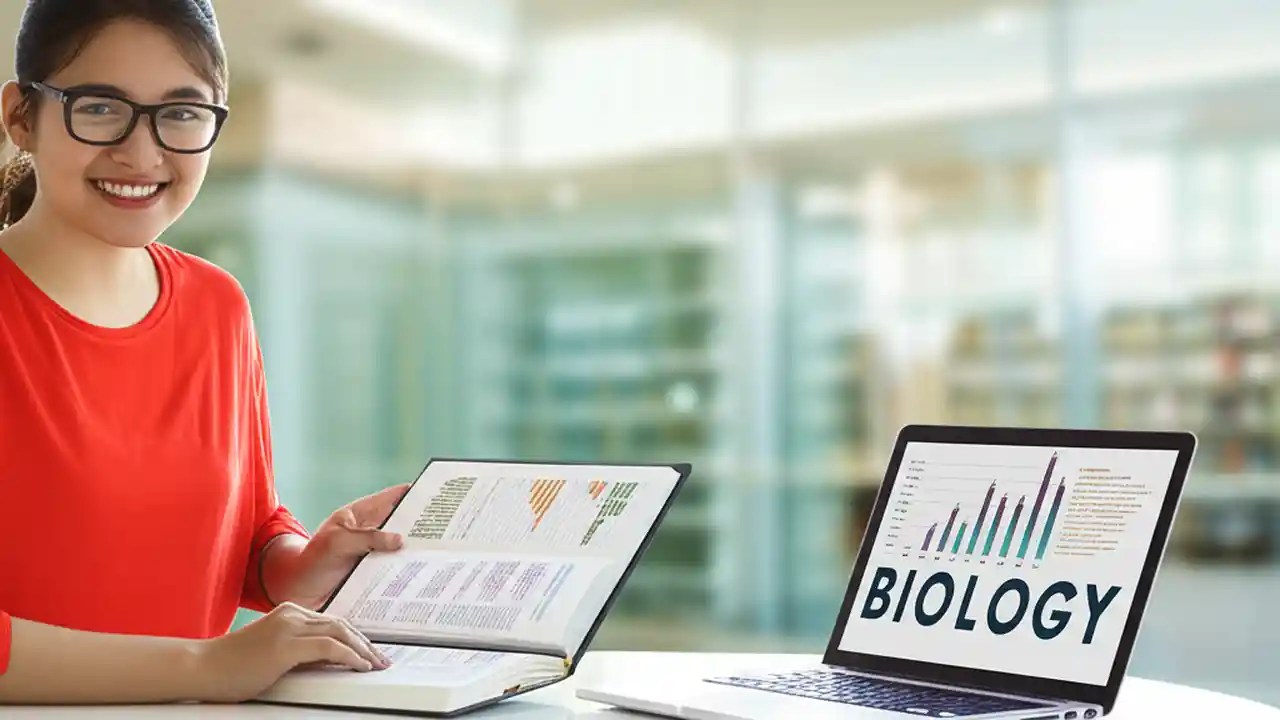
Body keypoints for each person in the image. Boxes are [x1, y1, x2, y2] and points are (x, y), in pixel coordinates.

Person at [0, 0, 412, 704]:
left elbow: (246, 529)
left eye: (182, 114)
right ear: (21, 116)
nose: (142, 152)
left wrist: (300, 564)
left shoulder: (217, 307)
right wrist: (210, 666)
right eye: (100, 107)